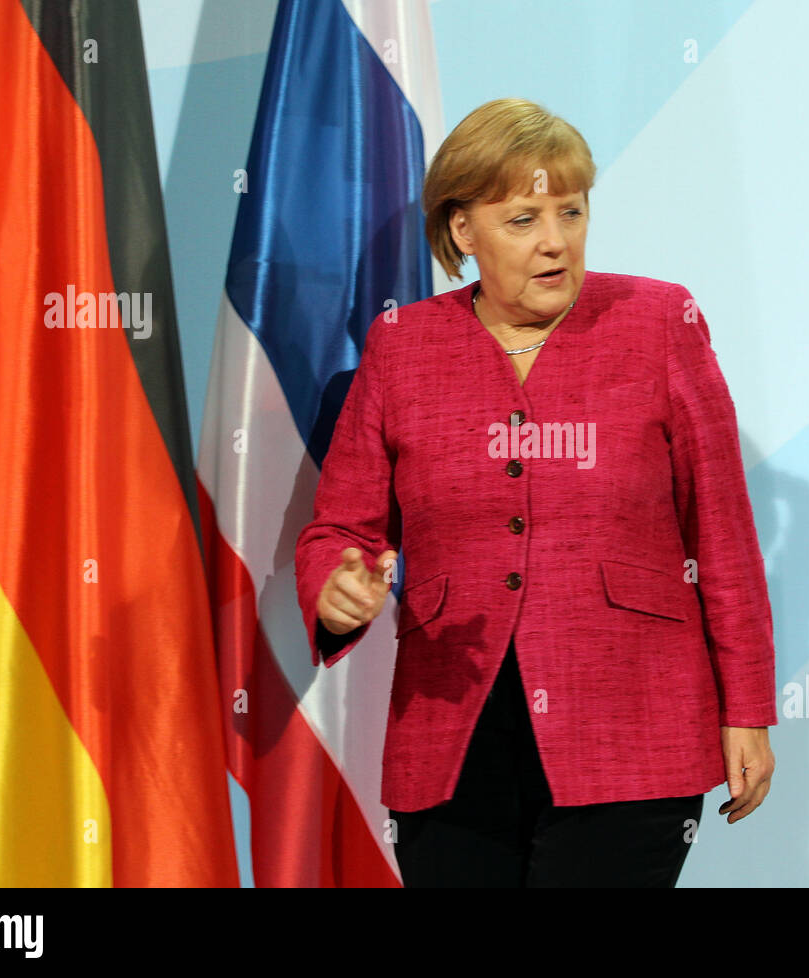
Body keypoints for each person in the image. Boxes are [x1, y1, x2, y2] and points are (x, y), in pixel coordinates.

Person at [293, 98, 777, 887]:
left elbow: (721, 531)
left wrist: (746, 709)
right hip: (452, 737)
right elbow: (337, 529)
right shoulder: (401, 346)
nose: (556, 242)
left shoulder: (659, 322)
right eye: (523, 220)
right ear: (462, 231)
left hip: (630, 727)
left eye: (571, 212)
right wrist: (336, 586)